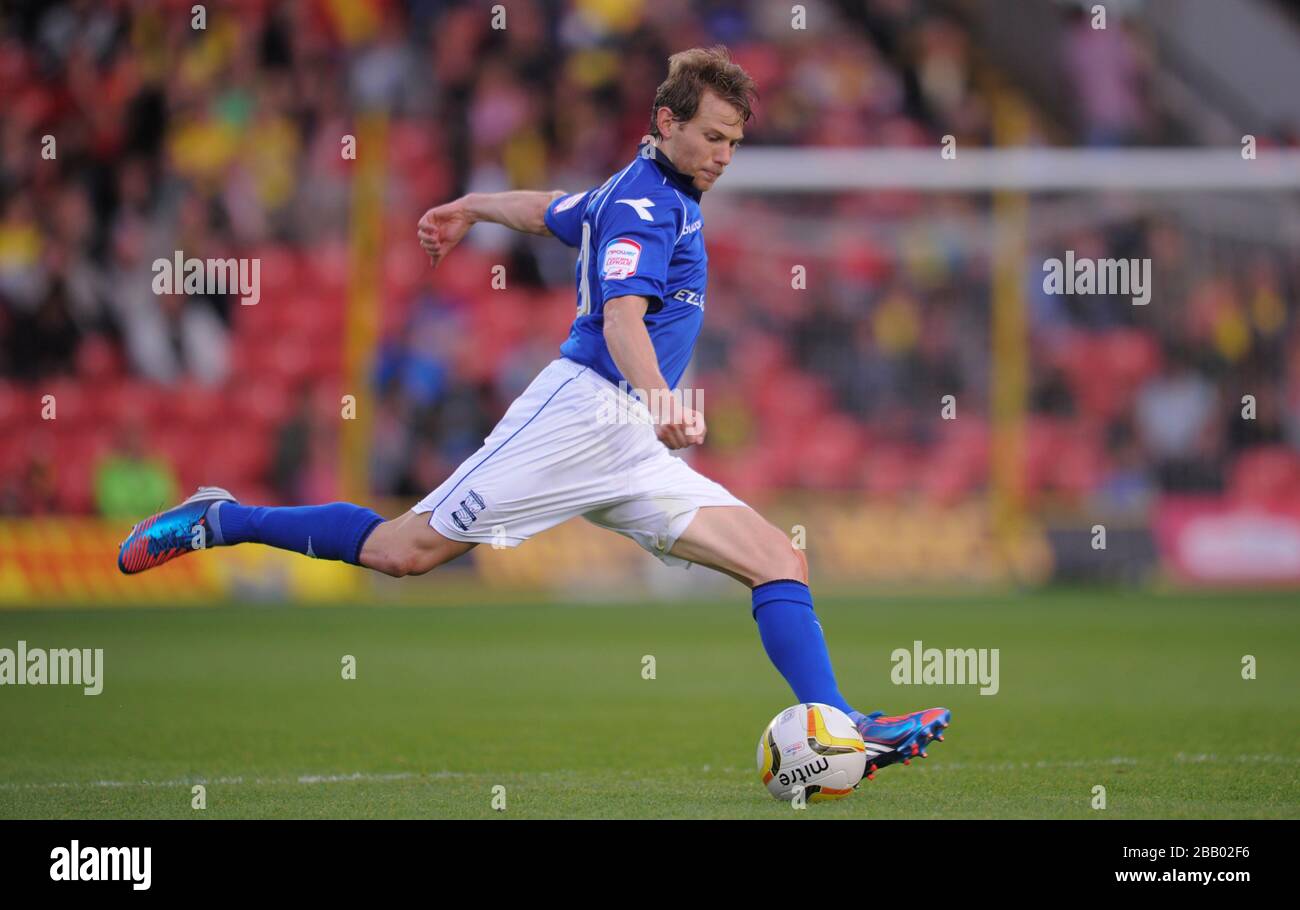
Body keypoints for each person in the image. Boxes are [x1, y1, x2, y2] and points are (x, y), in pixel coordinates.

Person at [117, 46, 949, 783]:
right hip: (581, 414)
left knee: (778, 561)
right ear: (668, 122)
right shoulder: (646, 205)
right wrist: (662, 399)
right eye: (714, 137)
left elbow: (552, 208)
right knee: (404, 552)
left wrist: (473, 203)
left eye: (735, 140)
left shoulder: (642, 189)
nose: (726, 156)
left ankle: (841, 724)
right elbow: (622, 316)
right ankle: (223, 519)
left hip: (626, 444)